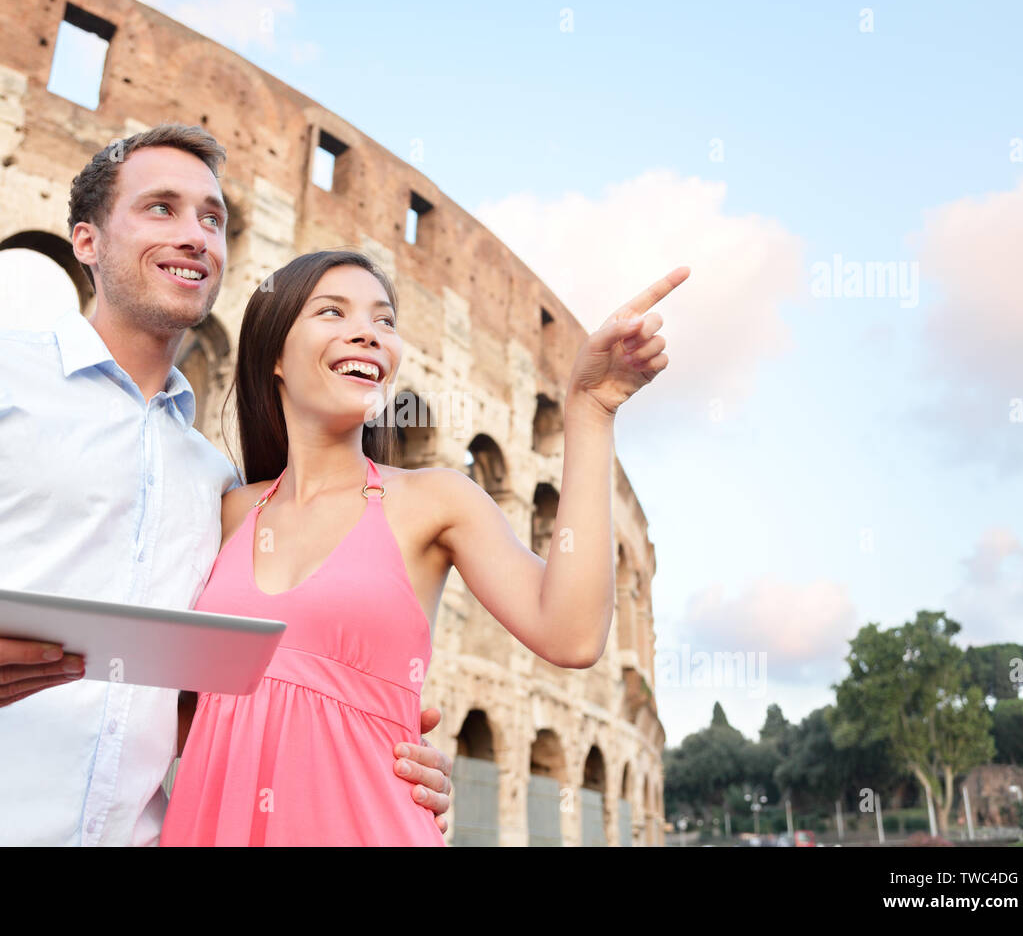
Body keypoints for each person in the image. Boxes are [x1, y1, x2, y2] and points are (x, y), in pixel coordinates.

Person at [0, 124, 451, 845]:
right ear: (86, 241)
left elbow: (204, 709)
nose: (195, 235)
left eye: (212, 219)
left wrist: (384, 762)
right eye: (161, 207)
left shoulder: (216, 484)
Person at [160, 250, 687, 845]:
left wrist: (590, 411)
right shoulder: (228, 511)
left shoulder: (435, 501)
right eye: (332, 311)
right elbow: (183, 711)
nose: (368, 333)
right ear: (275, 355)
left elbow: (572, 632)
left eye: (385, 322)